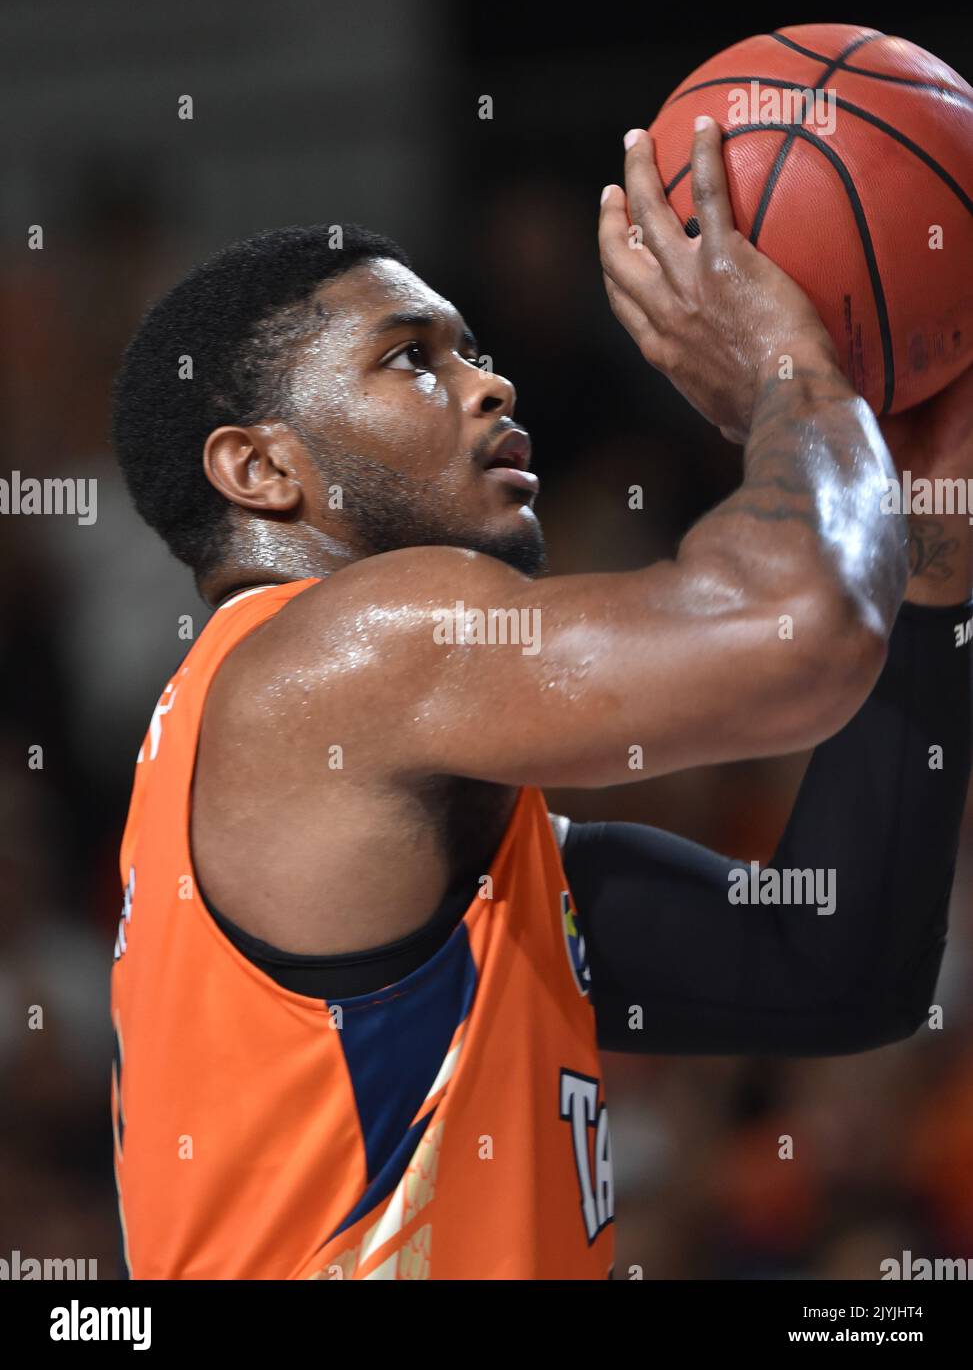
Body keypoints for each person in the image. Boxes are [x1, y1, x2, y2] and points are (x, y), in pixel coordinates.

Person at [108, 118, 972, 1279]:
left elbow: (832, 974)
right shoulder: (337, 650)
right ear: (261, 471)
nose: (489, 383)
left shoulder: (389, 803)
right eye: (410, 357)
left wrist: (925, 564)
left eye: (473, 349)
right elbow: (795, 637)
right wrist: (788, 368)